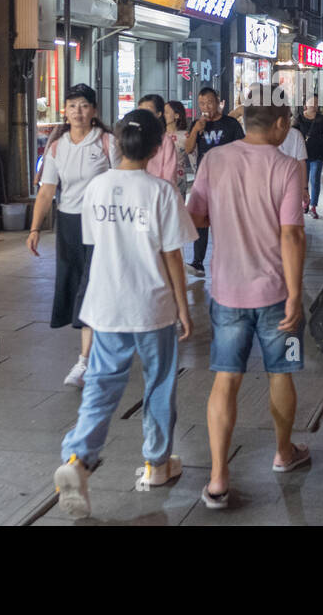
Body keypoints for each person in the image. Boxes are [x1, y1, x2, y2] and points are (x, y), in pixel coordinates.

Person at [52, 108, 197, 519]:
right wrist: (184, 309)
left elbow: (96, 243)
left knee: (100, 387)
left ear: (117, 144)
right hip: (152, 307)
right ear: (157, 147)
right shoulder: (162, 192)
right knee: (159, 386)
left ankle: (79, 459)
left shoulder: (97, 188)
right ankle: (155, 464)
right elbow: (172, 257)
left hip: (106, 305)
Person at [186, 96, 308, 509]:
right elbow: (292, 234)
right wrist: (295, 293)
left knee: (226, 378)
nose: (289, 126)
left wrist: (226, 214)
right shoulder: (287, 168)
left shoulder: (214, 161)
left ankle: (218, 479)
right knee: (280, 374)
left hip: (227, 290)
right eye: (288, 119)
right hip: (275, 292)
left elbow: (195, 217)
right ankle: (284, 452)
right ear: (277, 125)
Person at [29, 84, 119, 388]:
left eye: (84, 105)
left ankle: (85, 361)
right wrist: (35, 228)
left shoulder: (107, 142)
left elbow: (123, 182)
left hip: (102, 225)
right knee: (77, 285)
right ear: (64, 111)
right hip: (68, 224)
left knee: (89, 289)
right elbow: (47, 190)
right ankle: (97, 351)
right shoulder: (57, 146)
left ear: (94, 110)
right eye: (72, 106)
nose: (78, 111)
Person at [183, 87, 244, 276]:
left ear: (218, 102)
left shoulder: (231, 123)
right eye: (202, 103)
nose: (206, 106)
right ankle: (198, 262)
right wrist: (195, 130)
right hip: (204, 180)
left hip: (226, 180)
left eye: (209, 102)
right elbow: (188, 148)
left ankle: (226, 261)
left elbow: (242, 149)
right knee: (200, 223)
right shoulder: (197, 124)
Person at [293, 96, 323, 218]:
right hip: (302, 156)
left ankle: (313, 206)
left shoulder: (322, 119)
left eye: (316, 102)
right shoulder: (298, 118)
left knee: (314, 180)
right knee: (303, 181)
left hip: (318, 153)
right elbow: (292, 136)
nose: (315, 104)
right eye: (312, 102)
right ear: (306, 104)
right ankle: (305, 203)